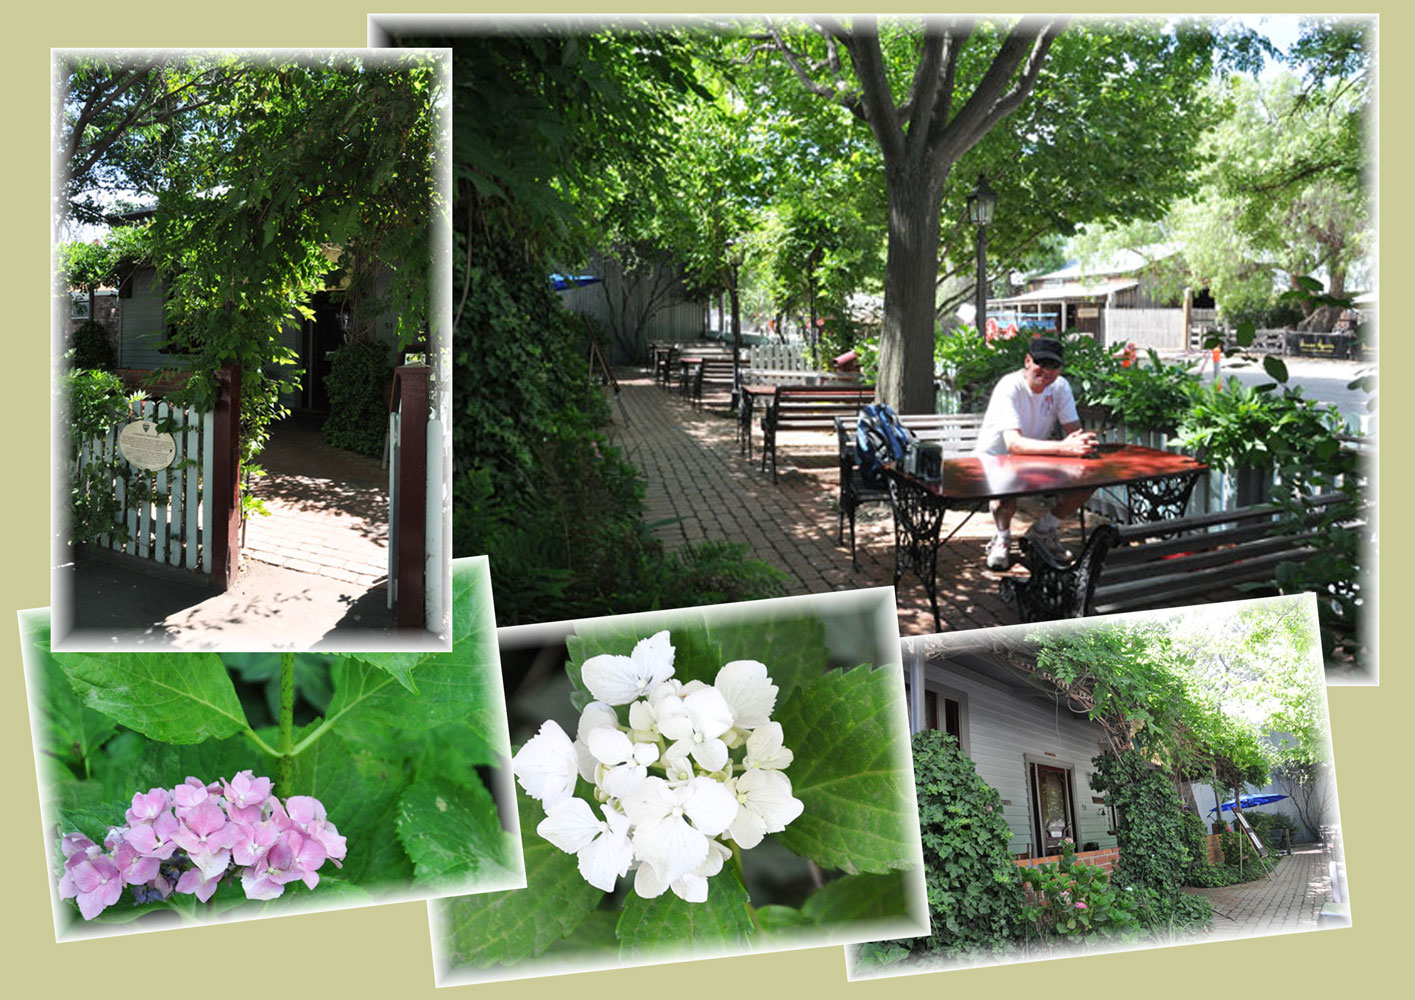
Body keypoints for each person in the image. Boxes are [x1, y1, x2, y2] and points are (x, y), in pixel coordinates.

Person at [974, 336, 1098, 570]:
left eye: (1054, 366)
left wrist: (1083, 444)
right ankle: (1002, 538)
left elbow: (1075, 432)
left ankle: (1044, 530)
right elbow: (1014, 445)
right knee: (1006, 488)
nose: (1047, 371)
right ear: (1028, 361)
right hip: (995, 460)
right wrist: (1064, 447)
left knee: (1089, 480)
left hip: (1034, 458)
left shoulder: (1060, 386)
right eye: (1042, 363)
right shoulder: (1009, 386)